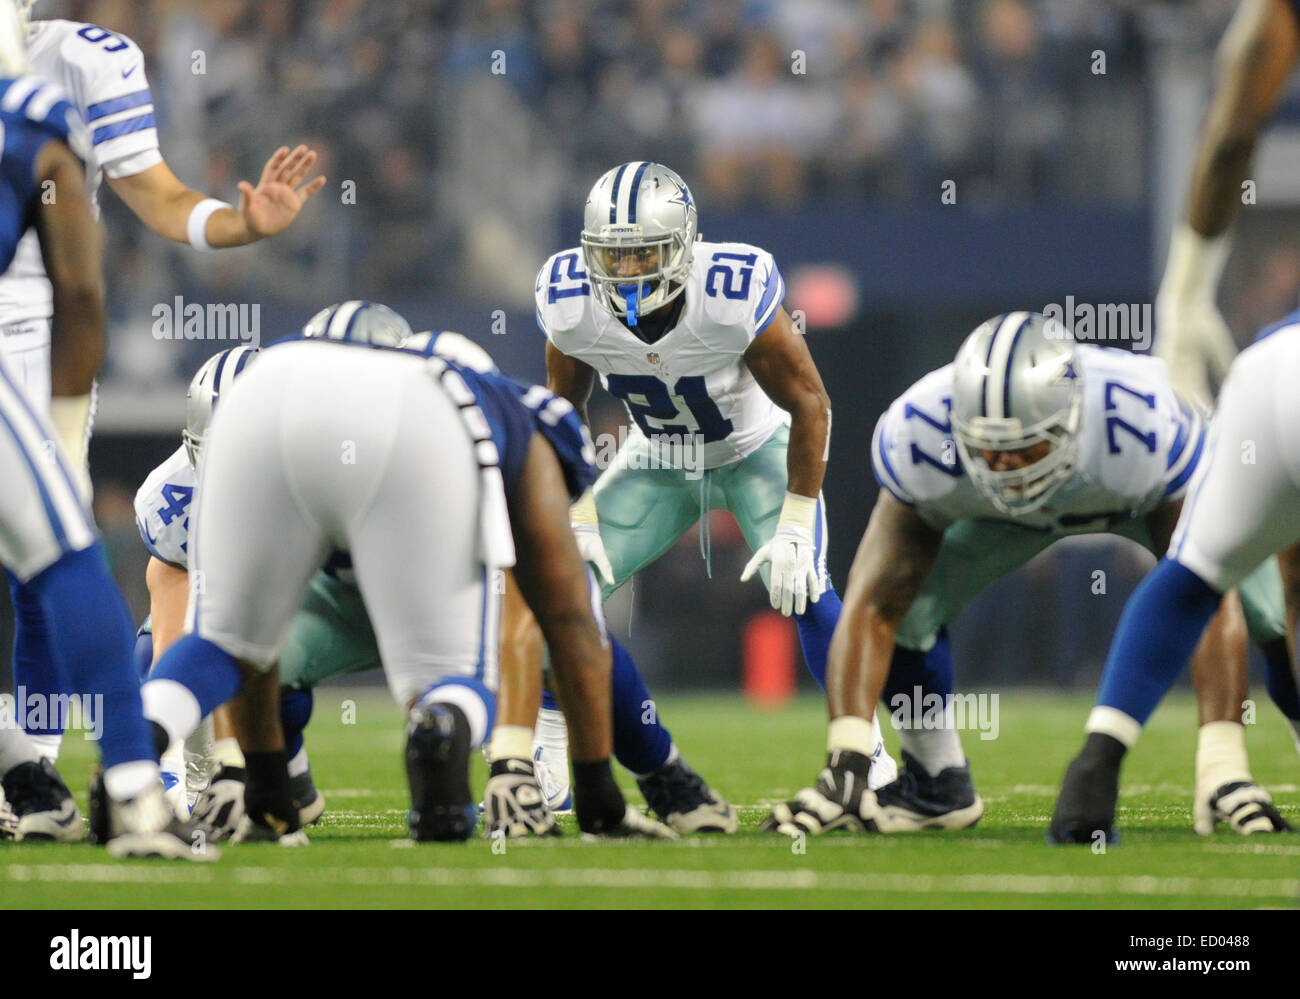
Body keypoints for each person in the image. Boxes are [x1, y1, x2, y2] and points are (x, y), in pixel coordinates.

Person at [763, 313, 1290, 837]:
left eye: (1026, 448)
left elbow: (1203, 587)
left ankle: (1233, 774)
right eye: (988, 448)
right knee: (908, 605)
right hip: (1000, 521)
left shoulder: (1143, 422)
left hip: (1129, 498)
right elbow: (874, 605)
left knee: (1269, 613)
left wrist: (1225, 766)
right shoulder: (921, 430)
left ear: (1073, 422)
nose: (1008, 469)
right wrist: (848, 761)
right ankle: (936, 783)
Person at [532, 160, 896, 829]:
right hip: (659, 459)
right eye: (612, 256)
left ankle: (867, 757)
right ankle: (550, 756)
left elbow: (812, 404)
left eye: (644, 251)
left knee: (804, 586)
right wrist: (578, 515)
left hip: (753, 449)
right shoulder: (570, 299)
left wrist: (793, 522)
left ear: (683, 243)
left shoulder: (730, 288)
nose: (629, 270)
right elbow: (561, 413)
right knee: (561, 588)